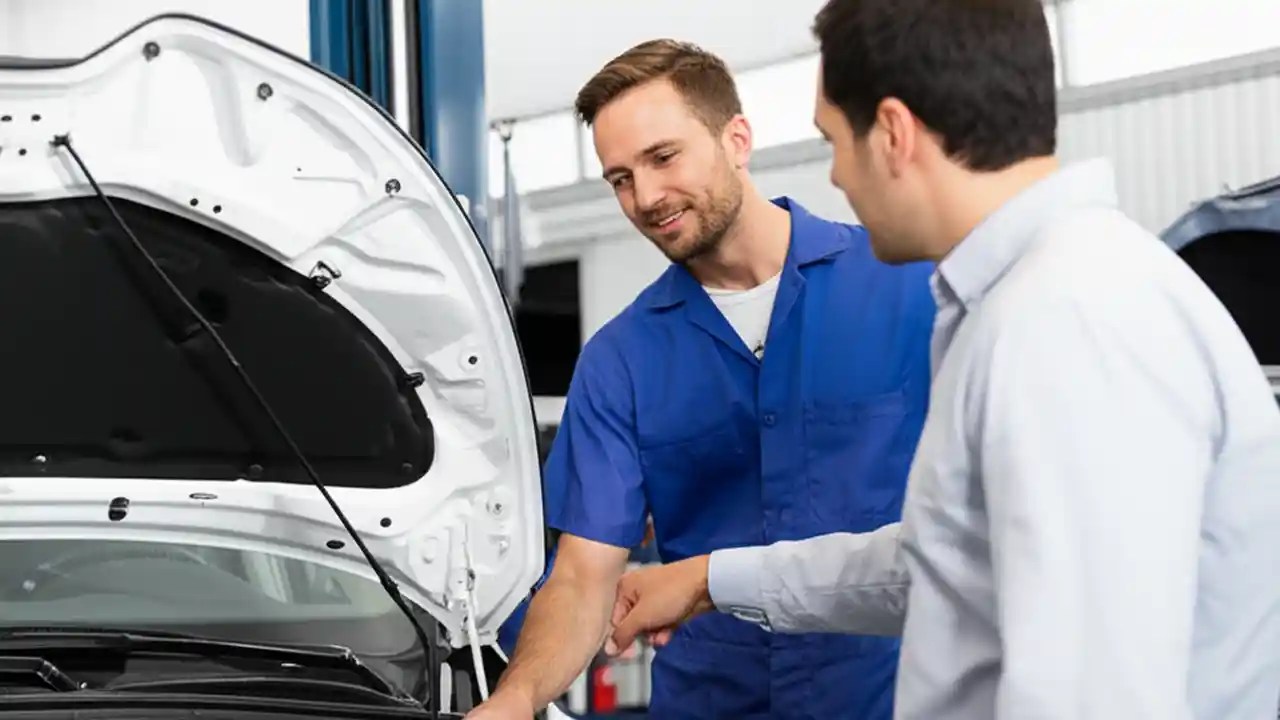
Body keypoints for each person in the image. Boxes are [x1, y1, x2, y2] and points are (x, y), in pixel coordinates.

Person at [603, 1, 1280, 719]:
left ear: (893, 133)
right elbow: (944, 564)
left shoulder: (1065, 322)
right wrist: (712, 579)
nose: (835, 178)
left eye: (833, 142)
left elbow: (1091, 696)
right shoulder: (1035, 296)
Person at [467, 39, 935, 719]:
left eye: (663, 157)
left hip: (895, 701)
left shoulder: (907, 286)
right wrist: (517, 697)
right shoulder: (619, 360)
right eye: (620, 178)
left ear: (736, 139)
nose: (646, 197)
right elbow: (582, 577)